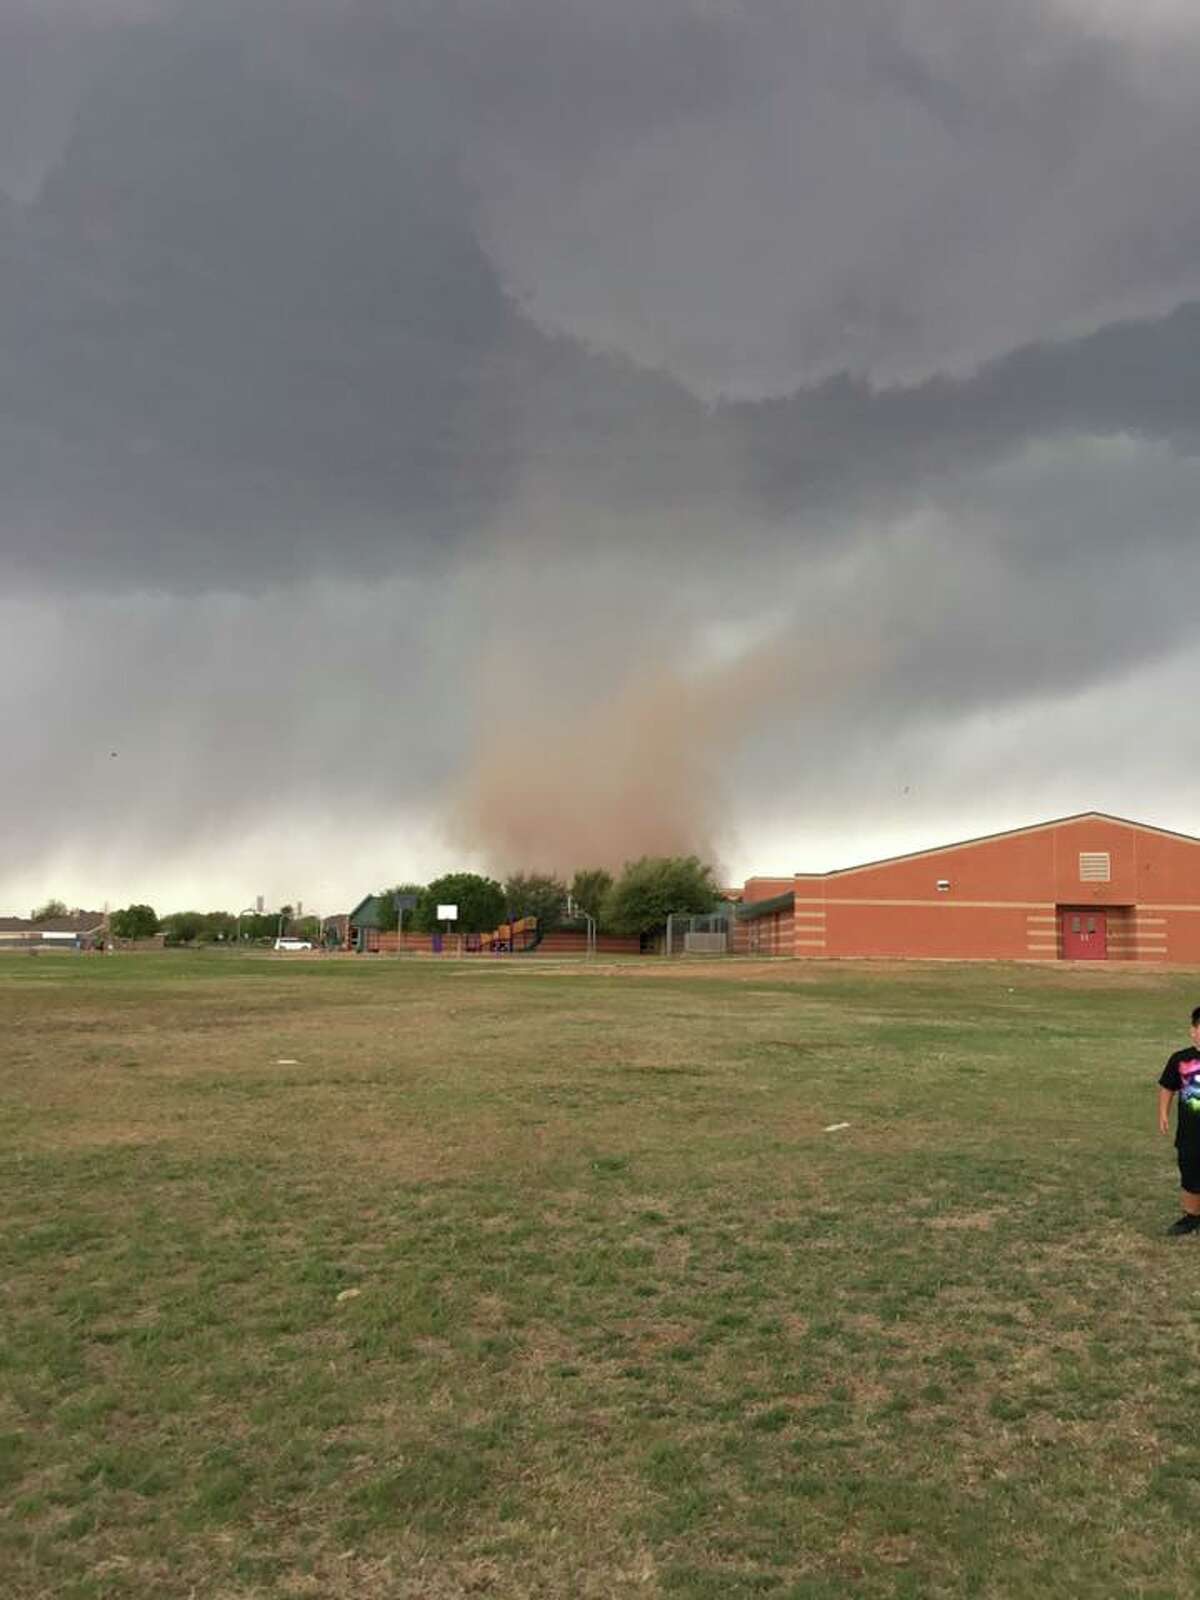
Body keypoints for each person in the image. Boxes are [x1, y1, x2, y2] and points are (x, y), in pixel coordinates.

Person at [1158, 1006, 1200, 1235]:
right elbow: (1167, 1087)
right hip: (1190, 1133)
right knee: (1190, 1171)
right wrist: (1163, 1113)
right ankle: (1191, 1217)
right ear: (1193, 1031)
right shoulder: (1180, 1059)